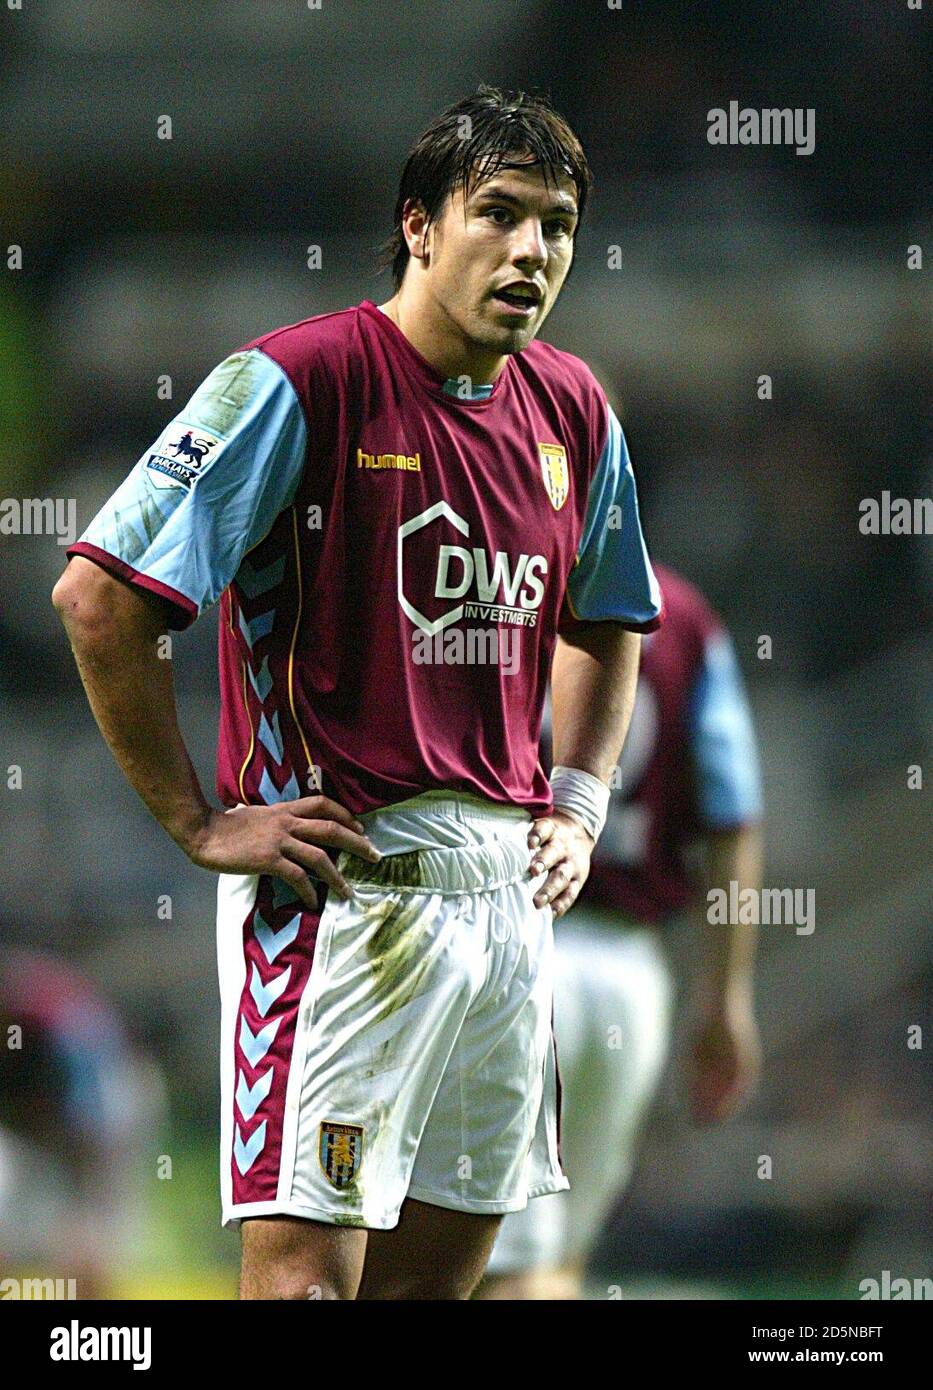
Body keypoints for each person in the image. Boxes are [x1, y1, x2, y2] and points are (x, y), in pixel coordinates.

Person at [52, 86, 663, 1301]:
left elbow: (607, 610)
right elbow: (100, 595)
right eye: (500, 213)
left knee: (437, 1292)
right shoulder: (299, 379)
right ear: (421, 225)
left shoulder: (573, 409)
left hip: (505, 909)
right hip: (344, 891)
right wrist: (199, 818)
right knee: (305, 1289)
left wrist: (583, 797)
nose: (533, 251)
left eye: (559, 225)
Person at [479, 563, 764, 1298]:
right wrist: (725, 995)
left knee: (494, 1262)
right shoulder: (687, 618)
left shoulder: (494, 579)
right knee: (558, 1259)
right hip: (626, 975)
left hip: (501, 948)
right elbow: (733, 818)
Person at [0, 946, 163, 1299]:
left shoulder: (65, 1029)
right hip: (42, 1123)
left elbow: (95, 1124)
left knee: (87, 1229)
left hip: (103, 1115)